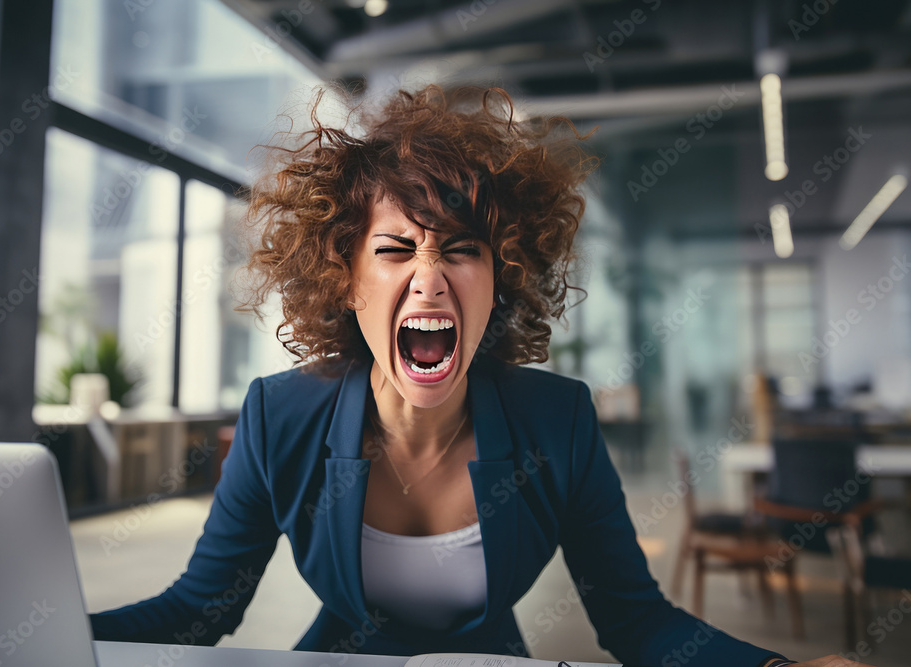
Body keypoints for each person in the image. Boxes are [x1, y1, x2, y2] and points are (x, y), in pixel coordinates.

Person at [89, 84, 871, 667]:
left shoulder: (555, 421)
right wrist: (39, 626)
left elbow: (637, 622)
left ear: (501, 278)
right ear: (347, 280)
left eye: (461, 249)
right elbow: (195, 613)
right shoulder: (279, 416)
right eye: (396, 250)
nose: (429, 277)